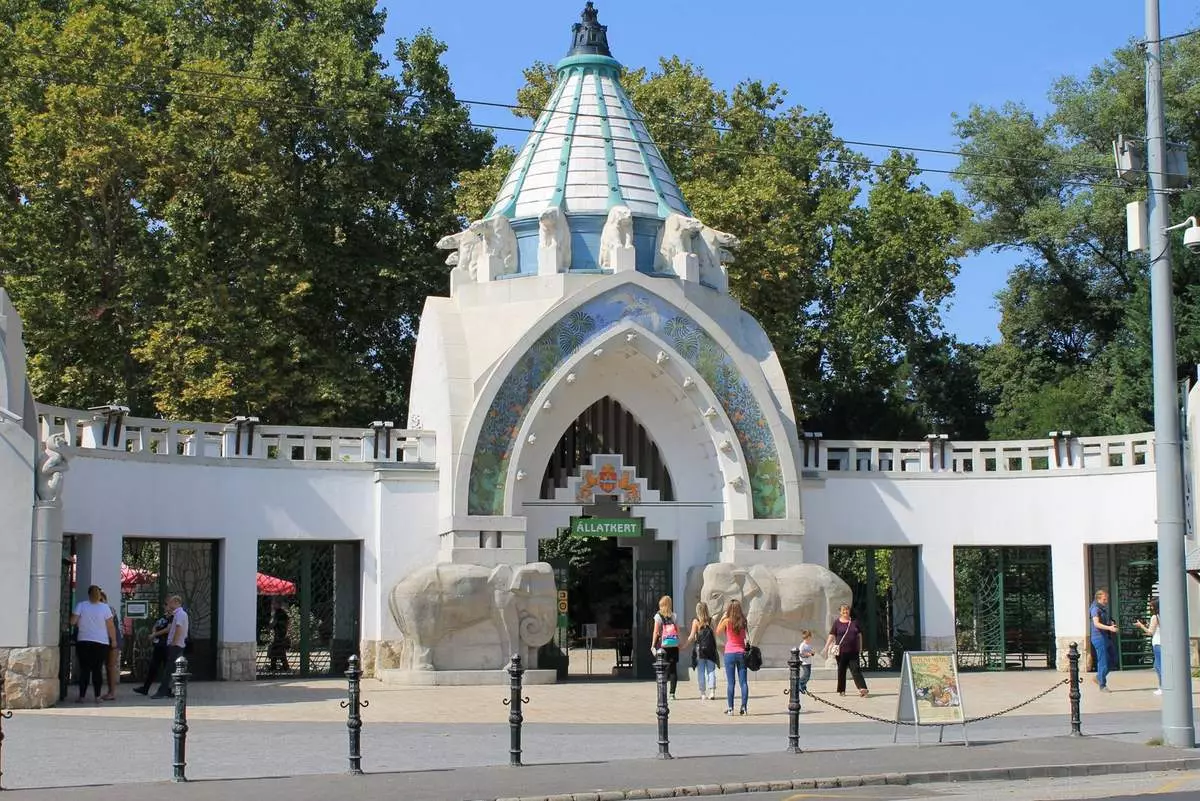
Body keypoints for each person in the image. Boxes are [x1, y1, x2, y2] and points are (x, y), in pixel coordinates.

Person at [69, 585, 116, 704]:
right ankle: (97, 696)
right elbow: (110, 626)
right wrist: (114, 640)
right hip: (101, 642)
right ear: (99, 595)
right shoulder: (105, 608)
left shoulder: (81, 605)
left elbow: (73, 621)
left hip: (84, 640)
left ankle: (82, 696)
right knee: (97, 669)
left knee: (84, 669)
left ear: (88, 594)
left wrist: (79, 622)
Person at [823, 604, 868, 697]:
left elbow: (860, 636)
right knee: (841, 671)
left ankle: (862, 688)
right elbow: (832, 635)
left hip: (853, 651)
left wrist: (860, 647)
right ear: (840, 612)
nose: (845, 612)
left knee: (856, 669)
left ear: (849, 611)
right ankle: (841, 690)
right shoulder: (837, 623)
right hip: (841, 652)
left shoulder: (854, 622)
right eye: (843, 610)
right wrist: (826, 647)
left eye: (847, 610)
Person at [715, 599, 750, 715]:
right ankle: (744, 708)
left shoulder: (726, 621)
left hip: (729, 653)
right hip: (741, 653)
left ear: (729, 609)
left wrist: (722, 618)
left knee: (731, 683)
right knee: (743, 682)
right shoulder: (744, 621)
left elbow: (717, 632)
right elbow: (746, 637)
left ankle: (730, 708)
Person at [152, 595, 189, 699]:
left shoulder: (180, 614)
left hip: (176, 645)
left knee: (169, 669)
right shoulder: (177, 614)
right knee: (171, 669)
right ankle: (167, 690)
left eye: (171, 603)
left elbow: (178, 628)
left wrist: (174, 642)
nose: (169, 605)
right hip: (176, 644)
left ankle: (162, 691)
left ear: (177, 602)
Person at [133, 607, 172, 697]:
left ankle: (167, 689)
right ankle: (145, 688)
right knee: (153, 667)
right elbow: (156, 625)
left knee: (167, 668)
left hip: (166, 645)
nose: (167, 608)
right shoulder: (163, 617)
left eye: (168, 606)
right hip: (158, 645)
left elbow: (168, 629)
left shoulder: (173, 617)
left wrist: (154, 634)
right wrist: (154, 631)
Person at [685, 602, 719, 700]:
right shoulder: (711, 620)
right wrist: (715, 648)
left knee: (701, 671)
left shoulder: (696, 621)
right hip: (710, 649)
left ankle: (703, 693)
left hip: (699, 650)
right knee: (711, 670)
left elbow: (691, 636)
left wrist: (684, 645)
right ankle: (712, 692)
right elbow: (715, 636)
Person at [651, 595, 680, 700]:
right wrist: (678, 643)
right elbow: (678, 631)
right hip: (673, 645)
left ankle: (662, 691)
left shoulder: (658, 616)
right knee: (673, 670)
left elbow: (655, 631)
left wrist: (653, 645)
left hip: (663, 646)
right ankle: (672, 693)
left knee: (662, 669)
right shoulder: (674, 616)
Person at [1090, 588, 1118, 693]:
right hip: (1099, 638)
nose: (1106, 601)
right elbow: (1096, 624)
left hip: (1106, 637)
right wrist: (1110, 628)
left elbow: (1105, 620)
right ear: (1098, 599)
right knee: (1103, 662)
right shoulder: (1095, 609)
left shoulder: (1102, 609)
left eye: (1106, 599)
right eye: (1104, 599)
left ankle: (1098, 677)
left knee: (1113, 660)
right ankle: (1102, 685)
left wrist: (1110, 623)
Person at [1135, 597, 1161, 696]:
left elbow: (1150, 632)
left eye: (1151, 605)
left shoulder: (1155, 617)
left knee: (1158, 666)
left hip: (1157, 643)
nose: (1150, 607)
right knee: (1157, 665)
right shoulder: (1165, 615)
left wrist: (1141, 625)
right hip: (1163, 644)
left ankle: (1162, 686)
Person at [99, 590, 122, 701]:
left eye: (101, 599)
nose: (99, 602)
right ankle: (109, 691)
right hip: (104, 640)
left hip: (113, 640)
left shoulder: (109, 609)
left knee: (111, 666)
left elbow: (110, 625)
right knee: (108, 666)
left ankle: (112, 692)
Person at [268, 599, 291, 672]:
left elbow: (274, 623)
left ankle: (280, 667)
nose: (272, 605)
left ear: (278, 605)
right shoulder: (283, 613)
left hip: (279, 636)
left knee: (277, 652)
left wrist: (269, 627)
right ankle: (279, 667)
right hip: (281, 635)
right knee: (279, 652)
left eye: (274, 604)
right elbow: (287, 623)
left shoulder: (278, 613)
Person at [797, 630, 815, 695]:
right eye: (809, 638)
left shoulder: (809, 645)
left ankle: (803, 686)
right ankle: (799, 684)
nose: (810, 639)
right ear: (807, 637)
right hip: (804, 662)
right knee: (806, 675)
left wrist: (812, 653)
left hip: (808, 662)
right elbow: (800, 654)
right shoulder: (802, 645)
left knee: (808, 676)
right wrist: (807, 655)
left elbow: (810, 652)